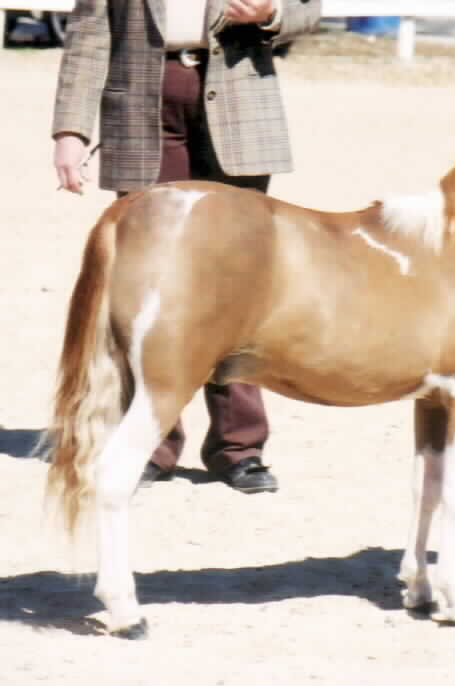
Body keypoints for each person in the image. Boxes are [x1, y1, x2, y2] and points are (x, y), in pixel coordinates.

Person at [52, 0, 322, 493]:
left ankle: (238, 446)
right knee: (150, 291)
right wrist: (71, 131)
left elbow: (309, 10)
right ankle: (151, 442)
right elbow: (88, 33)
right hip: (140, 113)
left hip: (241, 111)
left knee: (237, 284)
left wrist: (270, 12)